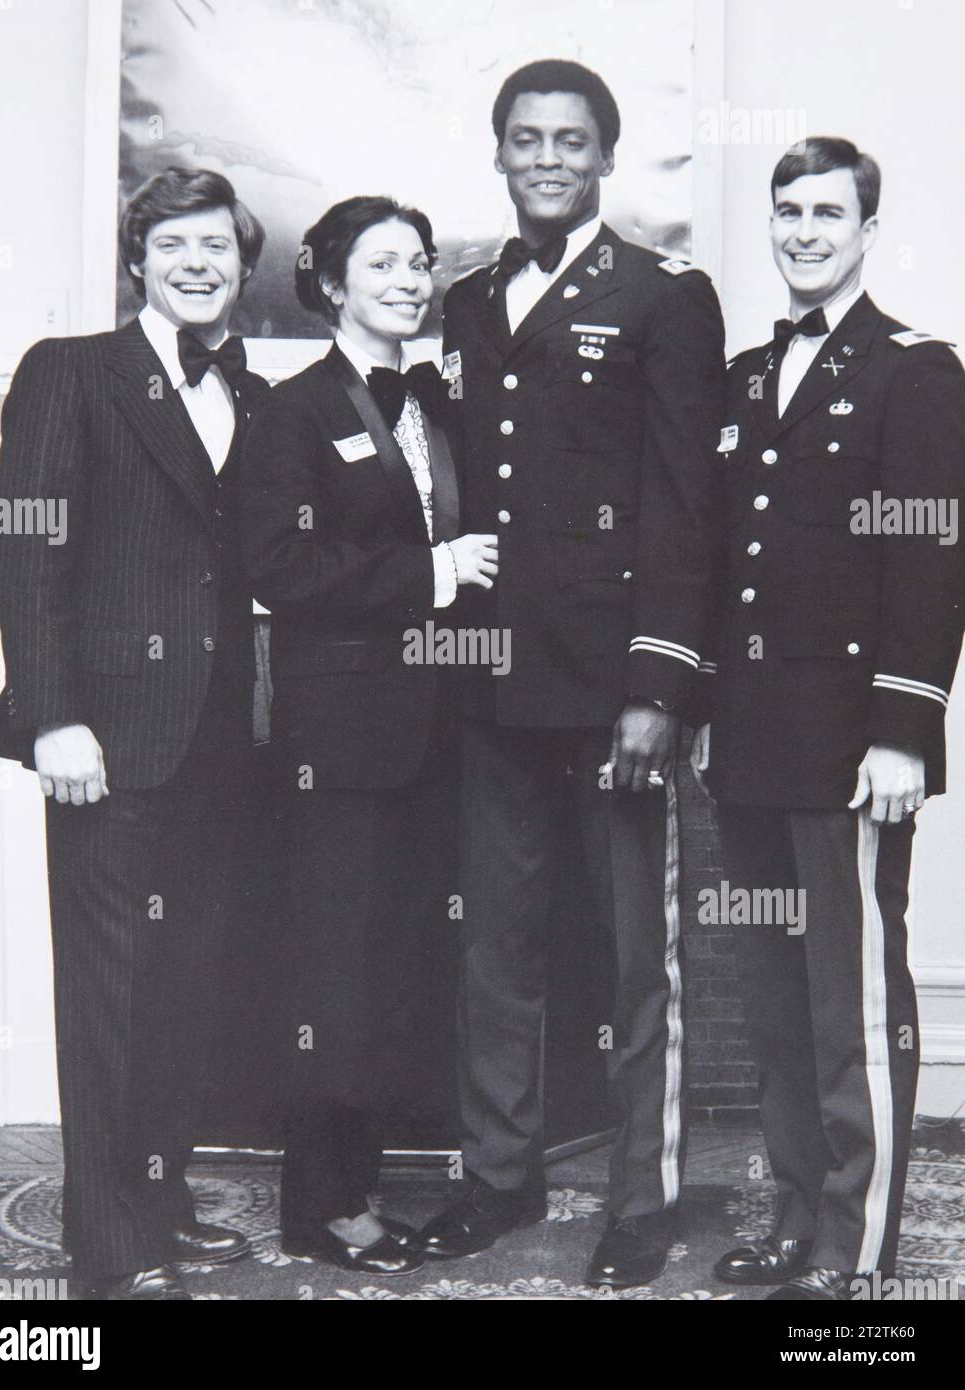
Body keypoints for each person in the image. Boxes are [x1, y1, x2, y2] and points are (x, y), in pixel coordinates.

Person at [414, 60, 727, 1288]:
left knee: (635, 955)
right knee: (494, 943)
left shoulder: (661, 295)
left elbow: (685, 503)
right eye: (526, 138)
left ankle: (638, 1202)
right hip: (491, 679)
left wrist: (657, 682)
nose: (547, 157)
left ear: (605, 158)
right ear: (498, 154)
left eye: (571, 139)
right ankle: (498, 1178)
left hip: (610, 690)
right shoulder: (466, 297)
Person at [0, 166, 271, 1299]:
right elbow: (23, 543)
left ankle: (162, 1194)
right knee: (107, 996)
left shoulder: (245, 383)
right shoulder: (72, 372)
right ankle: (106, 1252)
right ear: (137, 260)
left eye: (217, 248)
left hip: (215, 742)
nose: (197, 265)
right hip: (101, 740)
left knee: (189, 985)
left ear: (245, 266)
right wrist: (53, 717)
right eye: (175, 246)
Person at [691, 137, 965, 1300]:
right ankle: (796, 1212)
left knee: (848, 998)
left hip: (849, 746)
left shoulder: (915, 370)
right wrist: (702, 706)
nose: (801, 231)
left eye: (825, 213)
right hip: (748, 739)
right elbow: (717, 561)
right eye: (786, 211)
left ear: (866, 229)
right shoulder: (747, 375)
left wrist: (903, 726)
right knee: (770, 994)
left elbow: (927, 552)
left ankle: (851, 1249)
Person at [239, 196, 498, 1275]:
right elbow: (279, 570)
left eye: (420, 261)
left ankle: (361, 1185)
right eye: (381, 262)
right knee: (332, 975)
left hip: (436, 732)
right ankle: (322, 1206)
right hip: (335, 741)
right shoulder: (290, 413)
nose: (408, 277)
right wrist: (432, 576)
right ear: (331, 282)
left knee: (392, 967)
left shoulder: (440, 403)